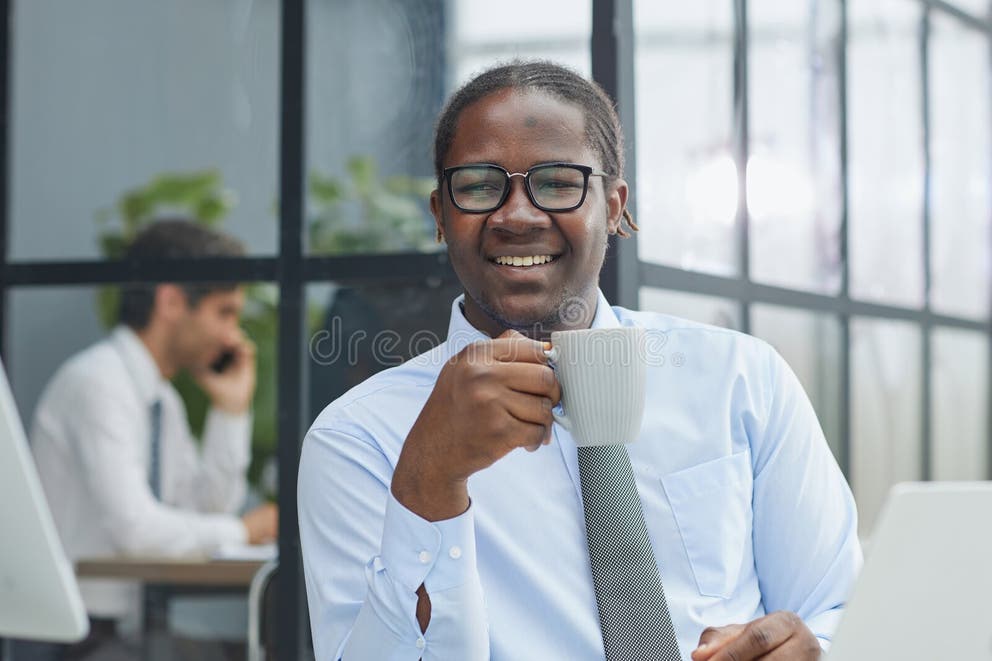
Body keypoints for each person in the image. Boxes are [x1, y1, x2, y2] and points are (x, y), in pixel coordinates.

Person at [298, 61, 861, 660]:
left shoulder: (742, 380)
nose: (516, 215)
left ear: (615, 207)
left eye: (560, 182)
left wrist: (813, 649)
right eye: (480, 186)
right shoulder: (358, 440)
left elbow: (840, 607)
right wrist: (427, 482)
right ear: (442, 215)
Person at [29, 219, 278, 658]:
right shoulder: (99, 383)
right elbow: (137, 531)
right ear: (171, 302)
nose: (232, 337)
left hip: (124, 632)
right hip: (73, 639)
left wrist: (231, 412)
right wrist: (243, 529)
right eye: (224, 313)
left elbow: (203, 511)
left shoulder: (161, 399)